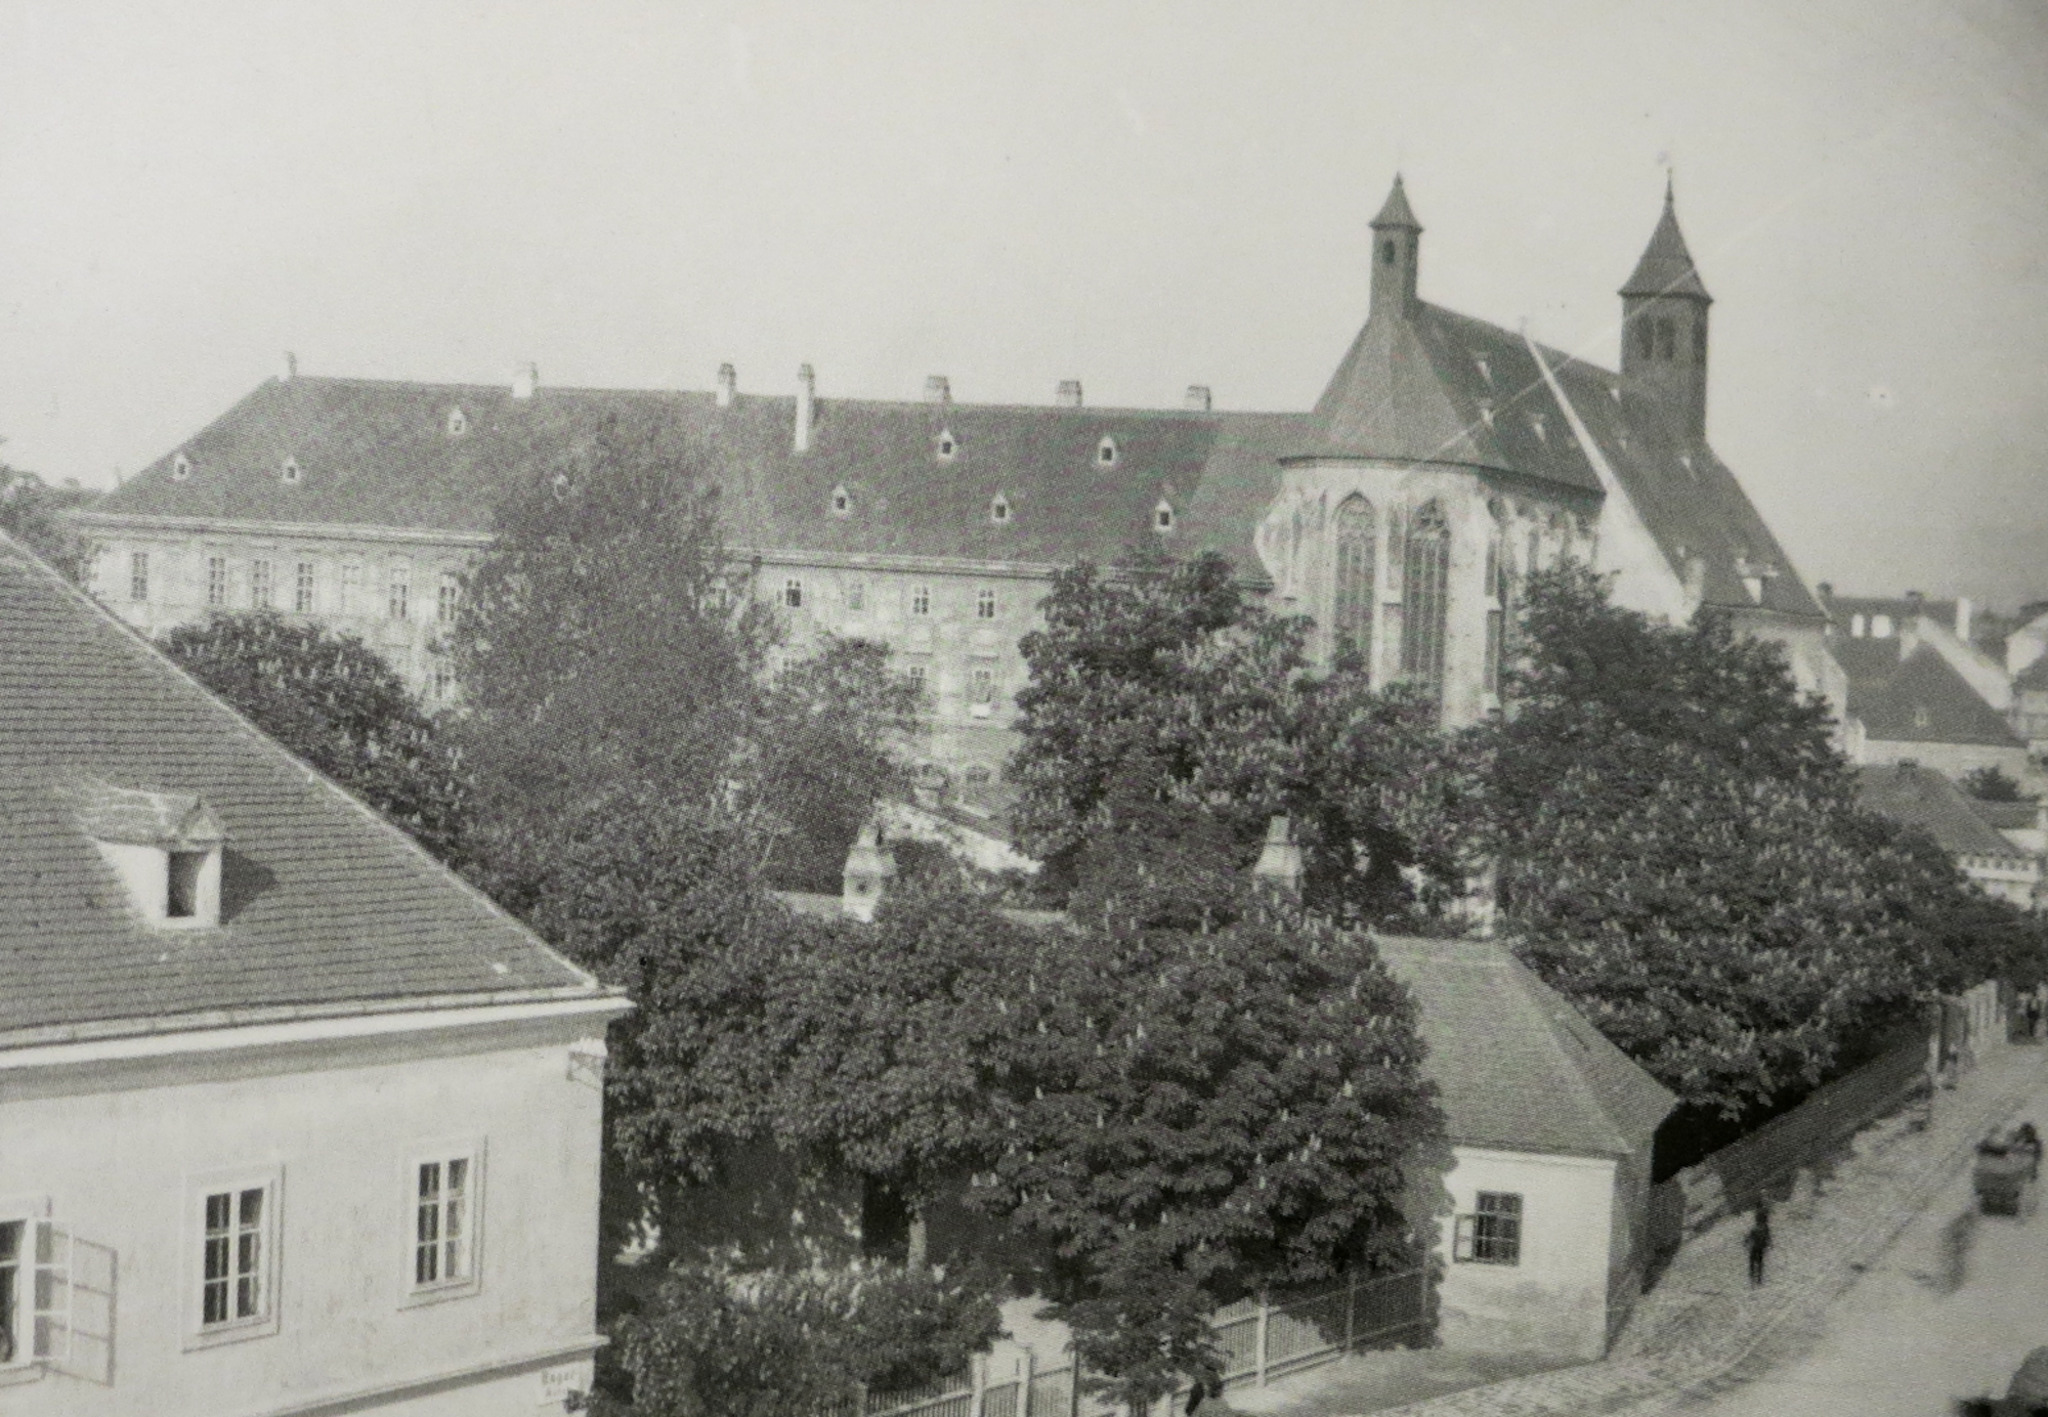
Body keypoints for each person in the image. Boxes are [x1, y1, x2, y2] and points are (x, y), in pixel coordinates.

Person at [1746, 1204, 1772, 1288]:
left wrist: (1746, 1242)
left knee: (1753, 1263)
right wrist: (1768, 1243)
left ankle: (1753, 1279)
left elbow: (1750, 1237)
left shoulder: (1756, 1228)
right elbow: (1767, 1237)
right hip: (1760, 1247)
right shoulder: (1764, 1228)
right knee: (1759, 1263)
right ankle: (1758, 1279)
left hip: (1755, 1247)